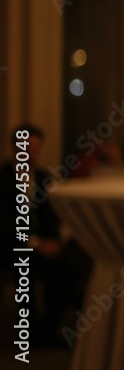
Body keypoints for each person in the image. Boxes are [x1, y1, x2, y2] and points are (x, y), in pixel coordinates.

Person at [1, 124, 91, 347]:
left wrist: (56, 241)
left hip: (42, 244)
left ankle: (50, 327)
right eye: (26, 149)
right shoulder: (2, 179)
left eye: (35, 149)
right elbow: (3, 224)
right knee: (26, 267)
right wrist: (36, 243)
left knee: (73, 266)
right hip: (12, 245)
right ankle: (31, 332)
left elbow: (52, 216)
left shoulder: (43, 178)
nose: (31, 155)